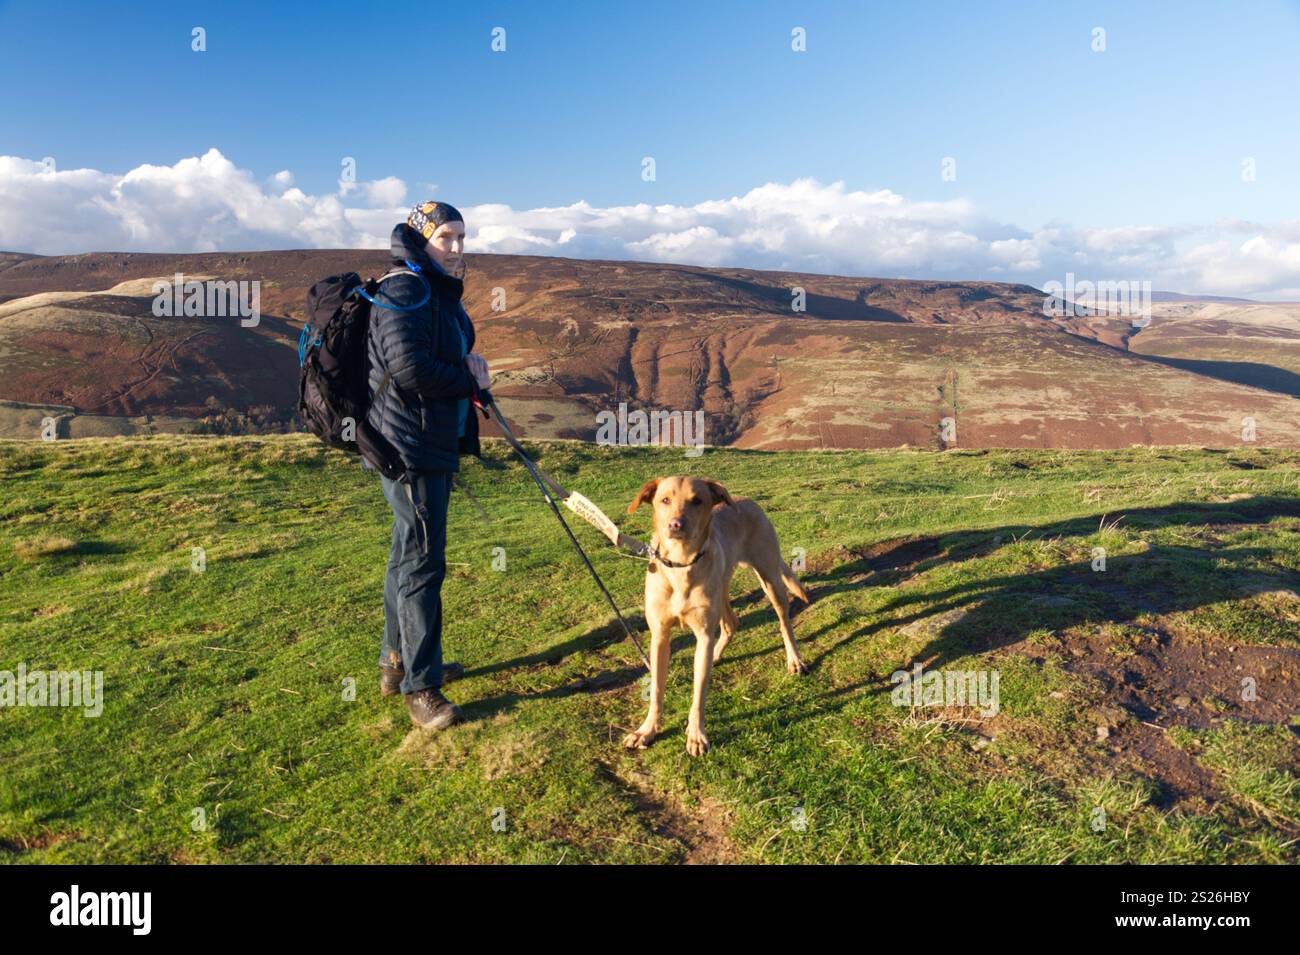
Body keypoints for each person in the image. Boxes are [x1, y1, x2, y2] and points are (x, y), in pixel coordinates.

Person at [366, 200, 491, 730]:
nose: (457, 248)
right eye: (446, 238)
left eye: (462, 237)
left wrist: (469, 375)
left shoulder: (431, 288)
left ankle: (398, 664)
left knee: (405, 555)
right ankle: (422, 689)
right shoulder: (406, 289)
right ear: (422, 239)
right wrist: (470, 381)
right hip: (410, 446)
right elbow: (409, 368)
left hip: (423, 440)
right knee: (422, 563)